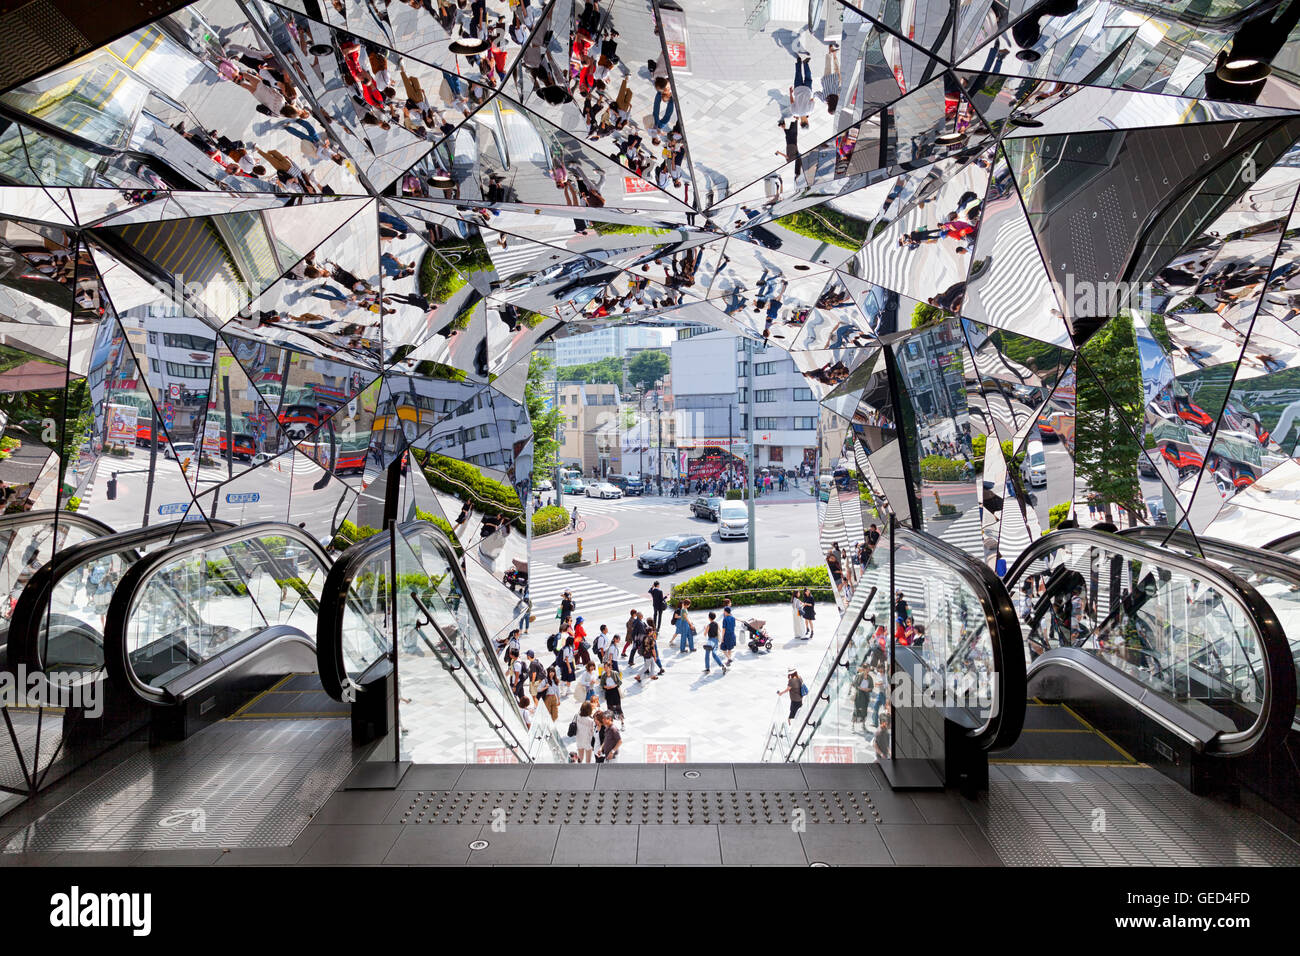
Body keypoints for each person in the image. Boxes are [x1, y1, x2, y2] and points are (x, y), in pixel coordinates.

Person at [601, 650, 624, 725]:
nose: (605, 669)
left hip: (615, 691)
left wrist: (614, 685)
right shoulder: (603, 675)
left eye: (606, 667)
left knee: (618, 707)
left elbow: (619, 682)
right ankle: (611, 723)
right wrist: (606, 687)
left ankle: (622, 722)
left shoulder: (614, 673)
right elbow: (601, 685)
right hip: (608, 692)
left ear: (610, 667)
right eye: (604, 667)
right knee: (609, 708)